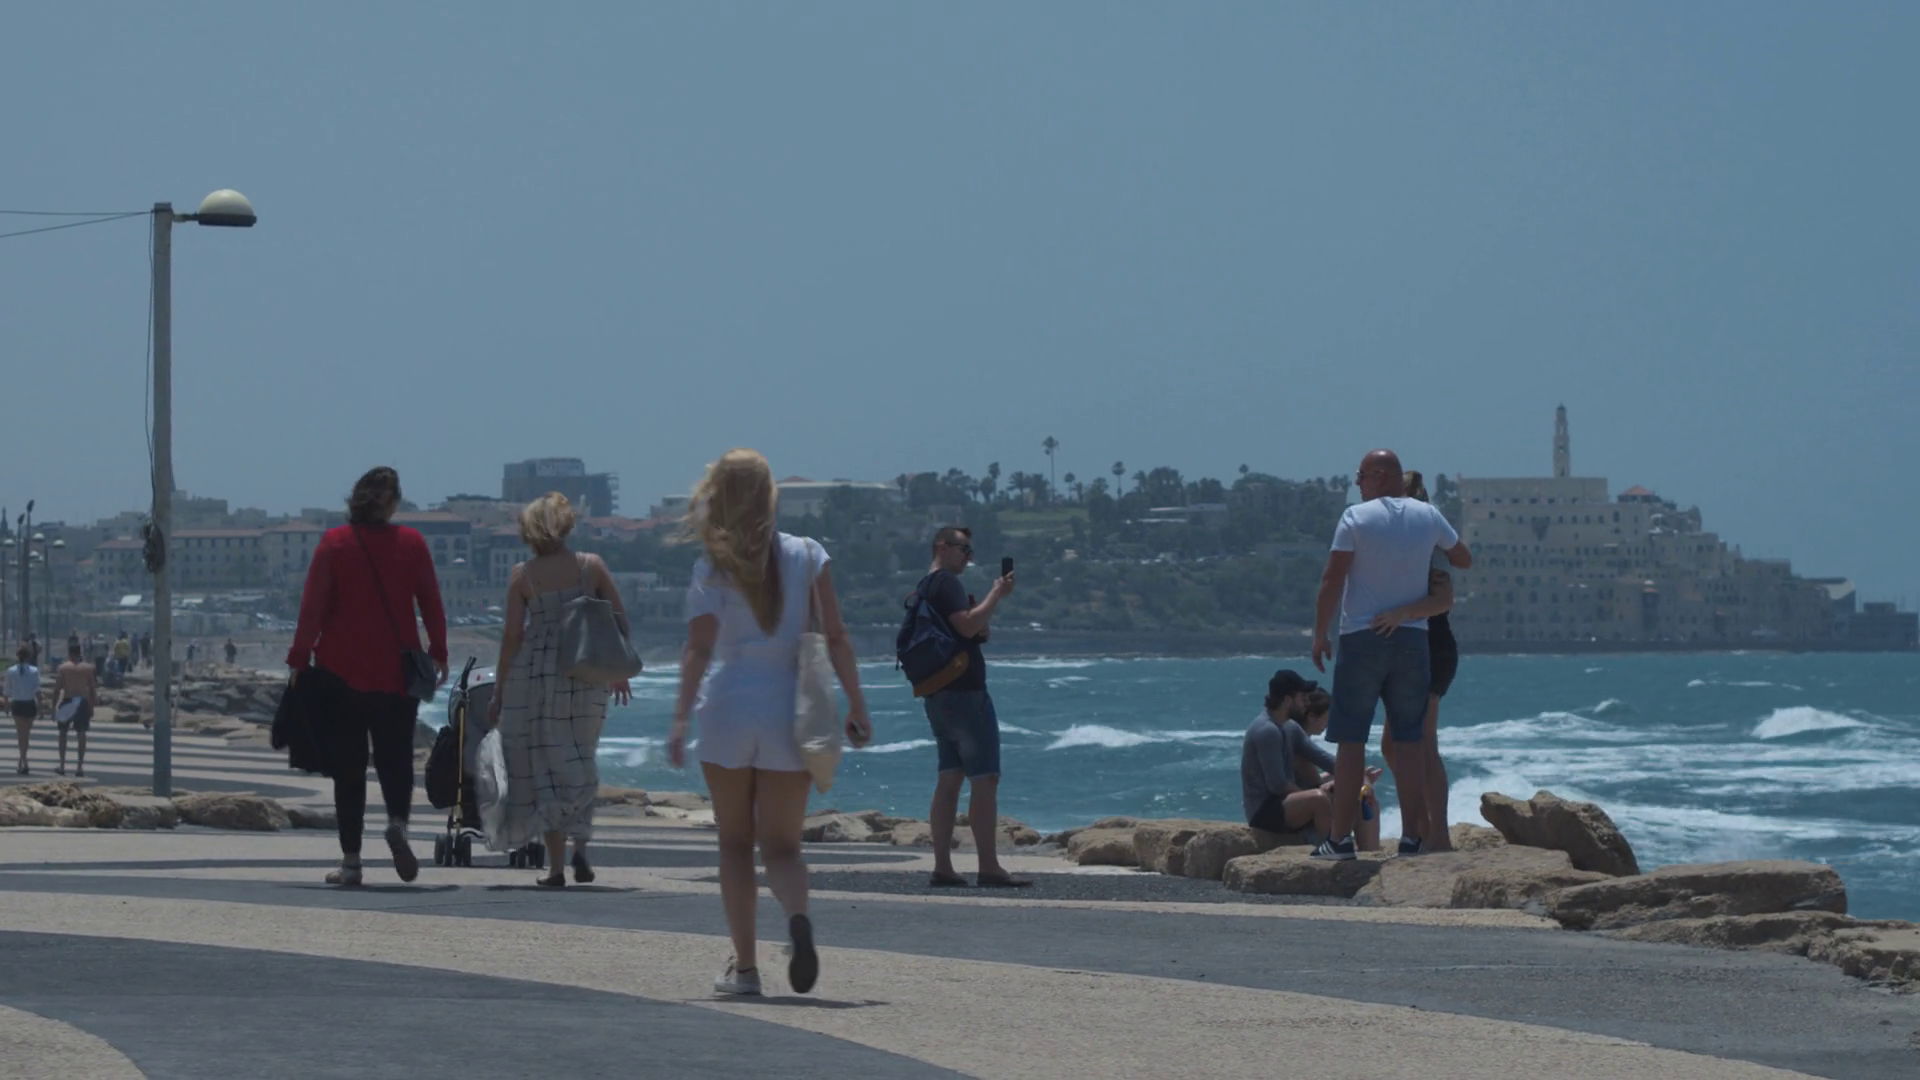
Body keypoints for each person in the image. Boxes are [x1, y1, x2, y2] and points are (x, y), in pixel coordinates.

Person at [670, 449, 871, 997]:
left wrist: (680, 719)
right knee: (782, 847)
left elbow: (698, 647)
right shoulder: (808, 554)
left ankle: (746, 969)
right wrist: (856, 705)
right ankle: (798, 920)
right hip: (791, 712)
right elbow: (837, 636)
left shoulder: (710, 565)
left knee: (735, 844)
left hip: (729, 709)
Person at [287, 466, 449, 887]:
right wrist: (439, 652)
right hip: (396, 673)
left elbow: (312, 608)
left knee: (350, 769)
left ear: (355, 498)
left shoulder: (334, 543)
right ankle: (397, 822)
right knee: (396, 758)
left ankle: (352, 862)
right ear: (393, 502)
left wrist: (298, 658)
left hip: (340, 673)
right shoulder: (411, 543)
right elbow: (430, 601)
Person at [1310, 449, 1471, 861]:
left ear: (1380, 476)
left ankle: (1340, 840)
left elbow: (1332, 578)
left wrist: (1320, 634)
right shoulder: (1428, 517)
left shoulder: (1355, 518)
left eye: (1361, 475)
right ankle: (1412, 840)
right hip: (1413, 642)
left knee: (1351, 742)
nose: (1358, 483)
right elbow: (1463, 558)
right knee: (1410, 742)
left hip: (1363, 638)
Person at [486, 492, 633, 886]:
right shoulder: (592, 566)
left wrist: (500, 690)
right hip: (587, 672)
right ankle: (580, 849)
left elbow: (512, 636)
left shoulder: (523, 576)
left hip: (538, 676)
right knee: (581, 758)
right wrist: (619, 671)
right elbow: (619, 621)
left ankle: (554, 868)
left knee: (545, 766)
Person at [915, 525, 1026, 888]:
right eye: (964, 550)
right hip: (965, 694)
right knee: (985, 778)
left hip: (938, 693)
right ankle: (989, 866)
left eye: (970, 552)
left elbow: (962, 628)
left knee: (949, 778)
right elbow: (964, 627)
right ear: (942, 547)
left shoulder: (925, 586)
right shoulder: (946, 582)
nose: (968, 558)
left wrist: (977, 626)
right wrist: (997, 593)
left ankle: (943, 866)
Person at [1375, 471, 1460, 851]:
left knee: (1423, 741)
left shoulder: (1429, 540)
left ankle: (1437, 835)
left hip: (1430, 644)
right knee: (1392, 745)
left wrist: (1401, 613)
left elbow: (1443, 601)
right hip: (1403, 646)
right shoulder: (1389, 542)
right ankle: (1423, 825)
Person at [52, 642, 96, 777]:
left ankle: (62, 765)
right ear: (80, 652)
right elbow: (92, 690)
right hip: (82, 701)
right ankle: (79, 766)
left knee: (63, 733)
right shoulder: (88, 668)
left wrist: (54, 705)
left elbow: (57, 688)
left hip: (68, 700)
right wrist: (92, 706)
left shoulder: (63, 668)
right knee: (81, 733)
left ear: (69, 653)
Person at [7, 646, 40, 775]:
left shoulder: (11, 671)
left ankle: (22, 760)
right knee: (26, 735)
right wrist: (41, 707)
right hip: (29, 704)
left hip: (18, 704)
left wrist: (6, 703)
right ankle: (23, 761)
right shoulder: (34, 670)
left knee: (21, 735)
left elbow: (7, 689)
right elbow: (37, 689)